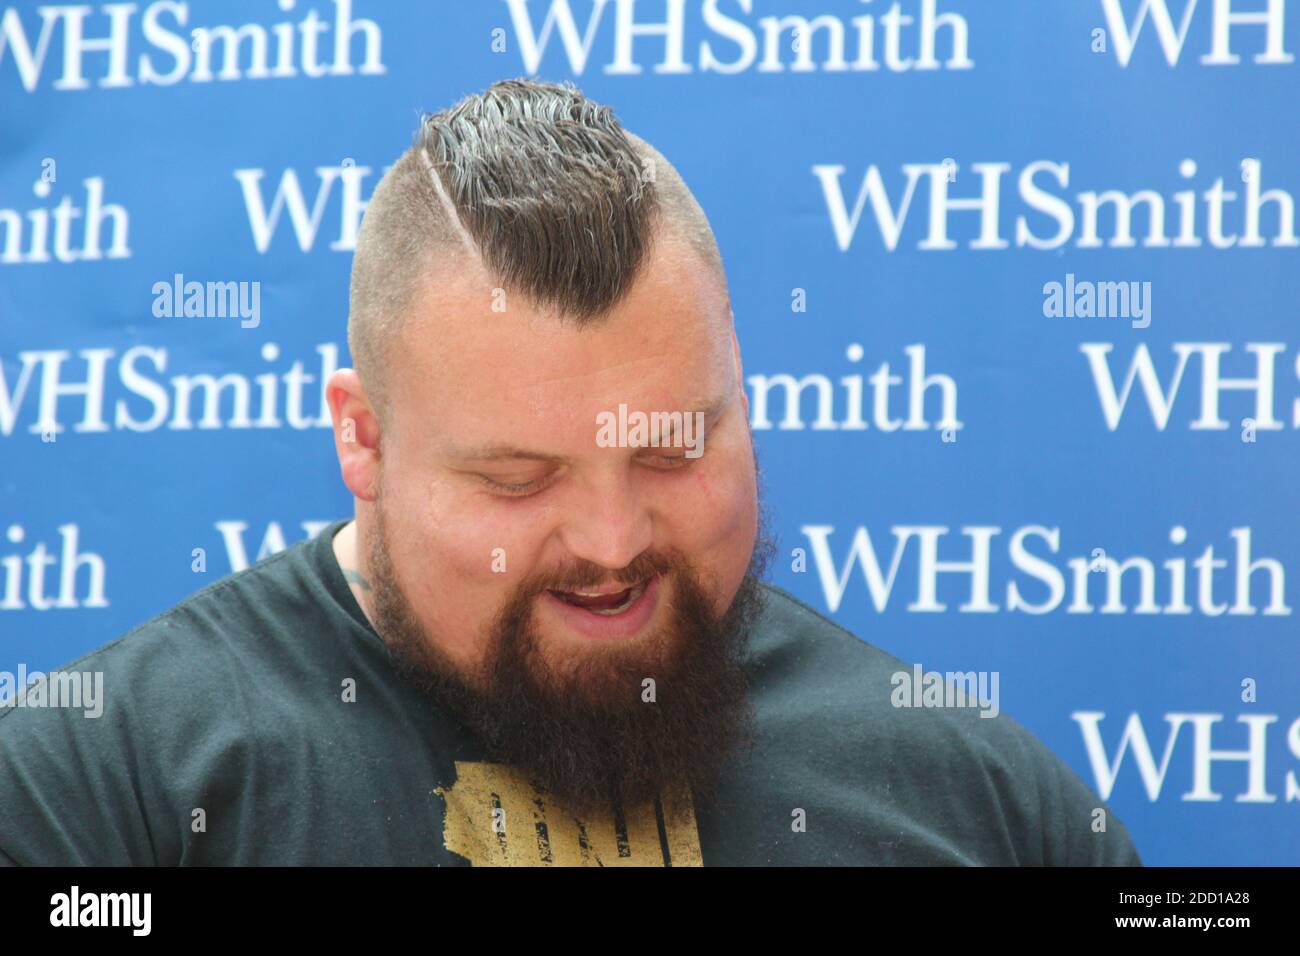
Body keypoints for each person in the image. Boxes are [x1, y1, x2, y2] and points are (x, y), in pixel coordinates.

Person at [0, 78, 1140, 866]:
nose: (608, 540)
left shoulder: (983, 804)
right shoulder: (103, 797)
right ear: (364, 441)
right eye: (517, 479)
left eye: (670, 450)